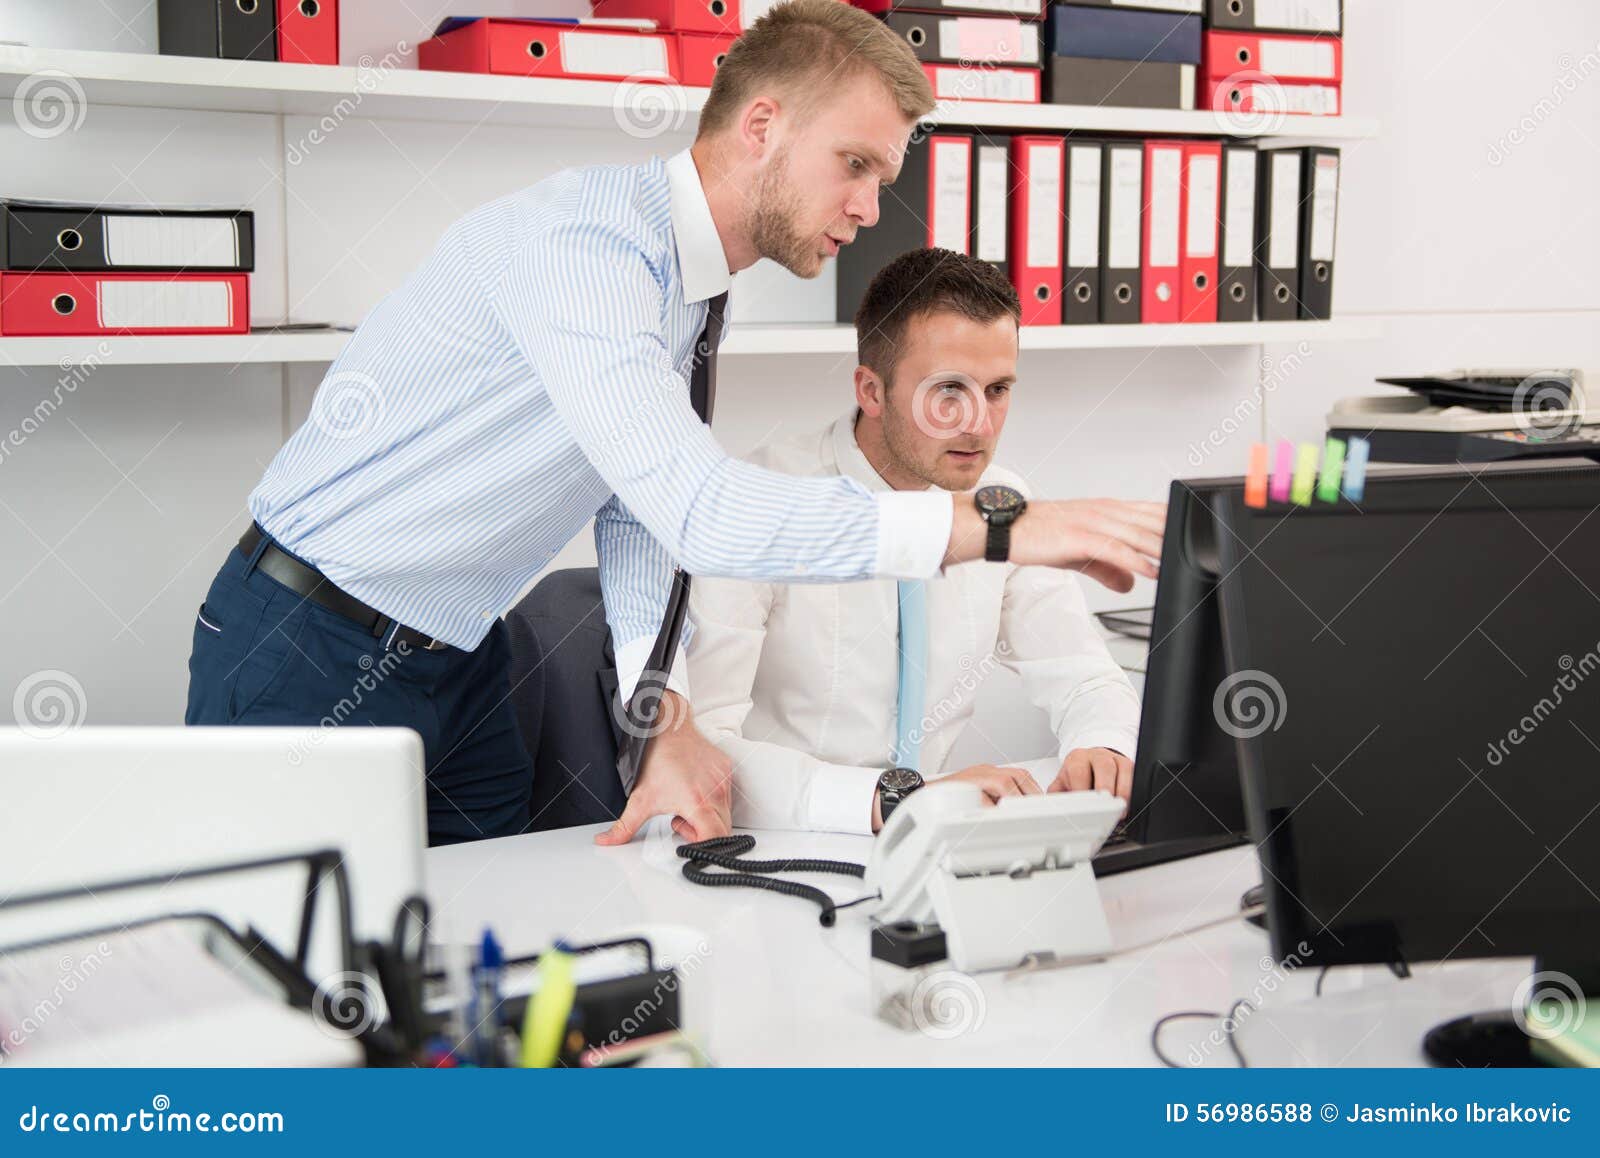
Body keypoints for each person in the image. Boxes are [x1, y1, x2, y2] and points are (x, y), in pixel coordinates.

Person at [185, 0, 1164, 846]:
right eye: (855, 164)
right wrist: (996, 527)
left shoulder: (691, 287)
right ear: (762, 126)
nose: (871, 208)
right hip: (311, 639)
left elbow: (638, 512)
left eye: (883, 176)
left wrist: (668, 715)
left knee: (479, 949)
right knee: (287, 964)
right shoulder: (591, 251)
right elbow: (703, 512)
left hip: (461, 655)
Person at [687, 248, 1142, 834]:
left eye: (997, 389)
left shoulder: (1003, 503)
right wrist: (894, 799)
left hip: (933, 846)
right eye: (948, 389)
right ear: (871, 391)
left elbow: (1085, 674)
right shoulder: (760, 501)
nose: (979, 423)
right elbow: (700, 746)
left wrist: (1101, 745)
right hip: (777, 844)